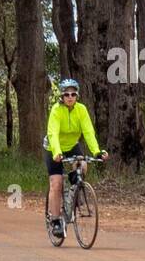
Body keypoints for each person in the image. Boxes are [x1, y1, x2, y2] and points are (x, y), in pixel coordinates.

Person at [45, 78, 107, 239]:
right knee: (56, 184)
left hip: (72, 145)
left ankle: (74, 192)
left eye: (73, 94)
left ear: (77, 95)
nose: (70, 97)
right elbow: (53, 133)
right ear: (62, 97)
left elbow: (88, 132)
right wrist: (57, 153)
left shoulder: (81, 109)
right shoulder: (56, 111)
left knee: (83, 165)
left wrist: (97, 152)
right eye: (67, 95)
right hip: (54, 147)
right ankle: (56, 220)